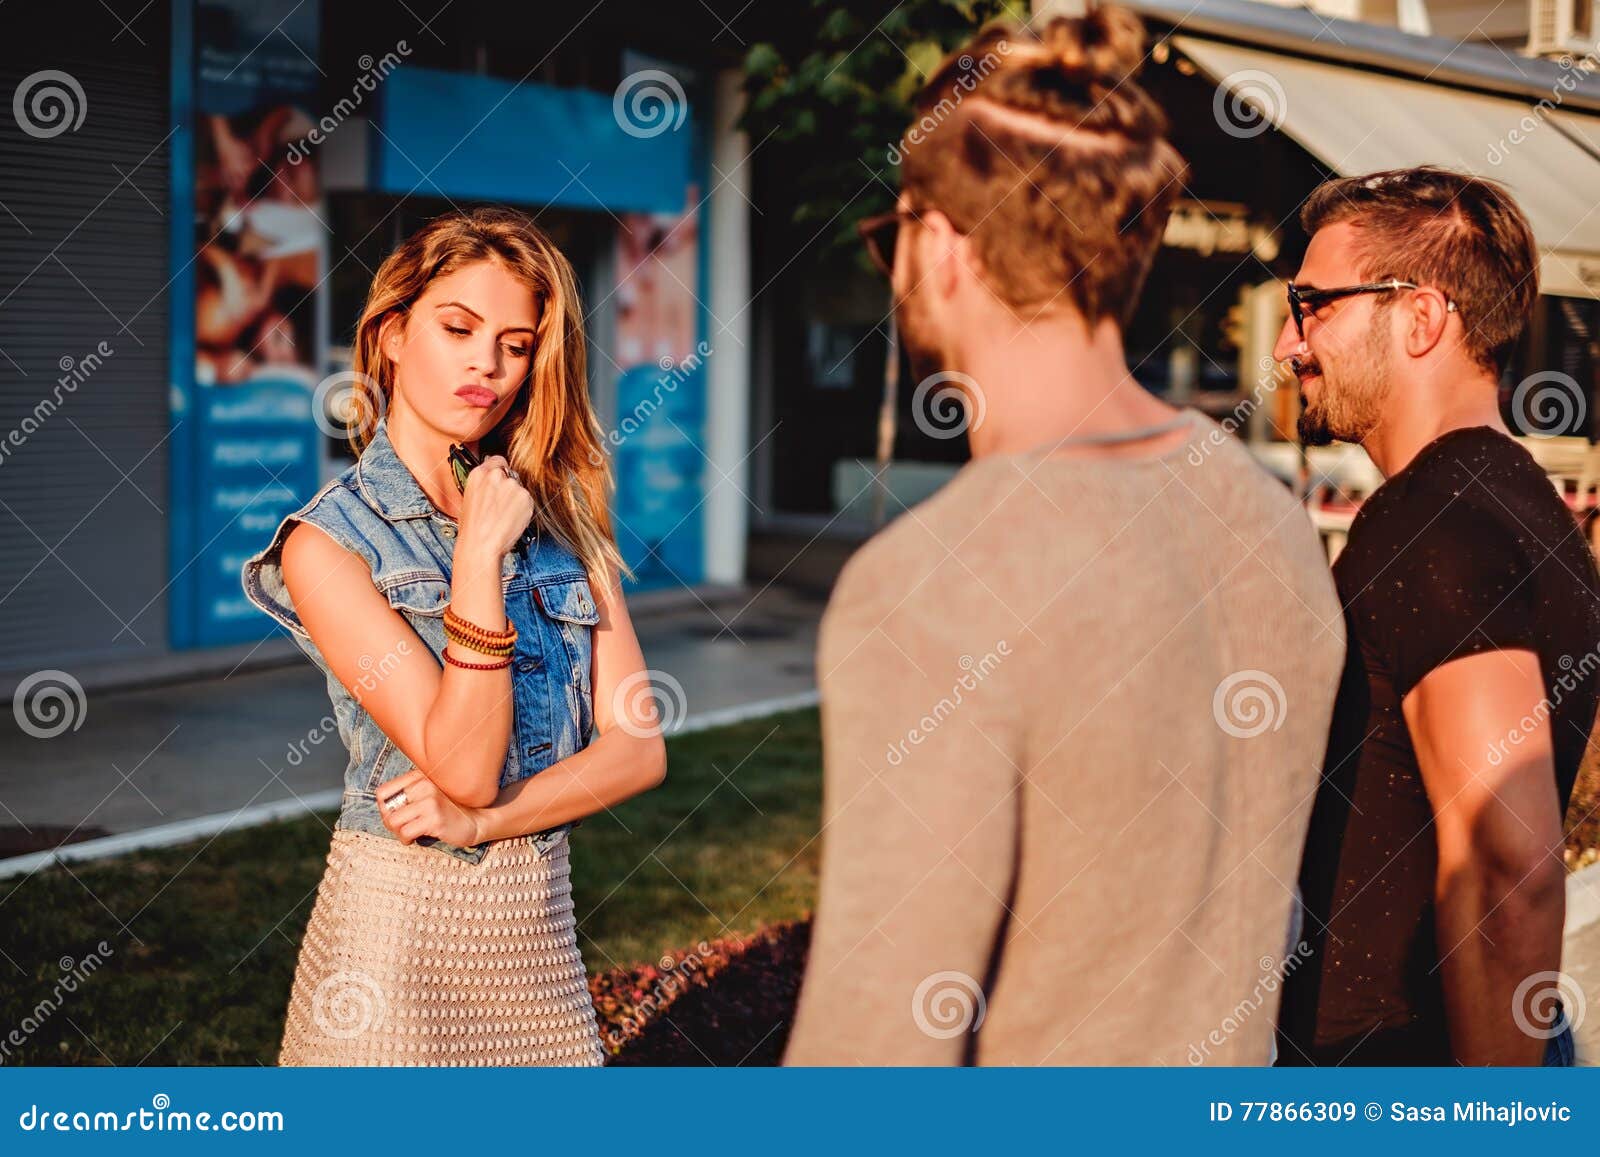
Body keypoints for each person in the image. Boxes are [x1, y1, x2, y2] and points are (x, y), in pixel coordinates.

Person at [783, 8, 1345, 1066]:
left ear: (938, 244)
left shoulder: (935, 579)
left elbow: (871, 1049)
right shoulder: (1266, 515)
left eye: (890, 235)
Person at [242, 207, 667, 1066]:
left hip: (533, 940)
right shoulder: (328, 544)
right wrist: (477, 559)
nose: (488, 362)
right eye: (459, 327)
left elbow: (639, 751)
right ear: (393, 335)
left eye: (515, 342)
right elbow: (461, 763)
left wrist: (484, 823)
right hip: (394, 945)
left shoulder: (562, 524)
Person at [1272, 166, 1600, 1066]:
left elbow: (1507, 866)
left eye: (1313, 305)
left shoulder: (1434, 522)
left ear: (1422, 317)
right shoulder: (1522, 507)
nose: (1287, 346)